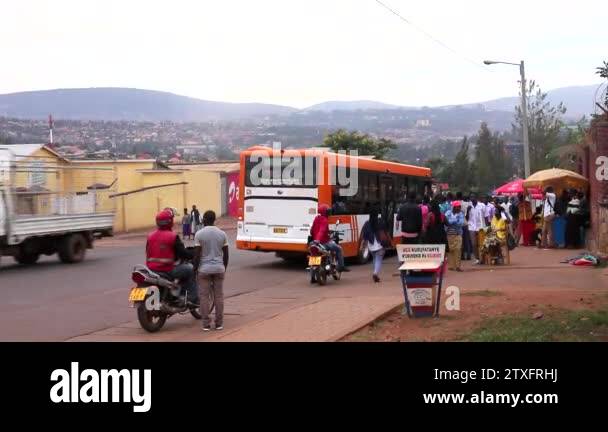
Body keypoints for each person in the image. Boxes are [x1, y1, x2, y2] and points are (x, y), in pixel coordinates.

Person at [145, 209, 199, 306]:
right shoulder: (172, 236)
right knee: (190, 269)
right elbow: (183, 253)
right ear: (170, 221)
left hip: (151, 269)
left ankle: (173, 294)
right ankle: (190, 297)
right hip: (167, 269)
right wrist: (193, 253)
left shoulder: (150, 236)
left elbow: (148, 252)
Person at [193, 210, 229, 331]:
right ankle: (219, 323)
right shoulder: (222, 234)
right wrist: (224, 268)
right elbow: (226, 254)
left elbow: (197, 255)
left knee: (204, 297)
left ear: (203, 219)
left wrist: (195, 269)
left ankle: (206, 324)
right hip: (219, 268)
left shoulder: (199, 234)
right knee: (219, 296)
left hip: (204, 270)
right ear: (214, 220)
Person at [310, 204, 349, 272]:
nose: (329, 213)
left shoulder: (316, 218)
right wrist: (318, 239)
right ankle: (341, 266)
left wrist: (315, 239)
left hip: (315, 243)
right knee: (339, 249)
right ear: (324, 212)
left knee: (314, 256)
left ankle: (313, 277)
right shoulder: (324, 220)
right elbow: (322, 230)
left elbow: (312, 230)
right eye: (327, 211)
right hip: (324, 242)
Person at [361, 206, 391, 283]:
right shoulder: (380, 222)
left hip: (371, 246)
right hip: (380, 245)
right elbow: (386, 232)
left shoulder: (367, 223)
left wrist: (363, 245)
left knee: (375, 259)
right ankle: (375, 273)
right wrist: (390, 241)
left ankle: (375, 272)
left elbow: (364, 236)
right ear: (377, 214)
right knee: (379, 259)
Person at [445, 201, 465, 272]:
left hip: (458, 234)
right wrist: (455, 220)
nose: (459, 208)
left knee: (458, 249)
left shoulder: (461, 214)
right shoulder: (448, 213)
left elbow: (461, 223)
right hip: (449, 234)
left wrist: (452, 221)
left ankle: (458, 266)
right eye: (458, 206)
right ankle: (451, 266)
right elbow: (447, 222)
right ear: (454, 207)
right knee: (450, 250)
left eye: (460, 206)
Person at [467, 194, 486, 264]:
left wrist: (487, 227)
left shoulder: (482, 205)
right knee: (474, 244)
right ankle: (477, 258)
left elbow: (486, 216)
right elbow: (466, 218)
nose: (472, 198)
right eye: (471, 197)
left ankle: (483, 258)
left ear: (476, 198)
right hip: (472, 227)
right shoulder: (469, 206)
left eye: (473, 197)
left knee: (482, 244)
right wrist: (467, 210)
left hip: (481, 227)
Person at [460, 193, 473, 261]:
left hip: (460, 224)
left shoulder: (460, 204)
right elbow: (467, 216)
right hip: (465, 224)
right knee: (467, 240)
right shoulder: (469, 204)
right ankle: (468, 255)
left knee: (461, 241)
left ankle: (462, 255)